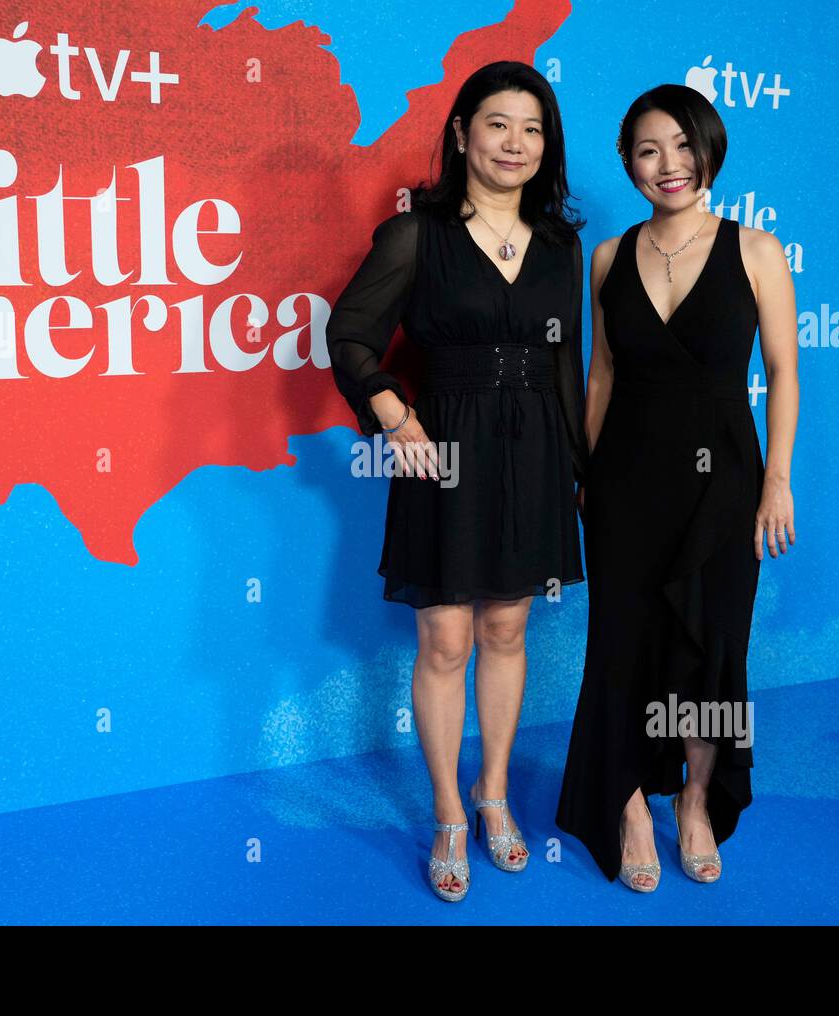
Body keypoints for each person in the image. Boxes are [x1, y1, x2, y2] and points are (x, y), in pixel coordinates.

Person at [326, 61, 589, 902]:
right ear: (462, 134)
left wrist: (580, 470)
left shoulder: (561, 244)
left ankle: (494, 794)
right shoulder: (417, 234)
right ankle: (447, 813)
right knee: (446, 638)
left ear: (546, 147)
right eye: (499, 124)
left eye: (532, 129)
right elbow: (350, 336)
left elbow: (568, 365)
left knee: (508, 629)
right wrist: (396, 418)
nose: (515, 143)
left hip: (538, 449)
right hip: (449, 447)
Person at [555, 84, 799, 891]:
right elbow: (602, 378)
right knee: (622, 646)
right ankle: (626, 803)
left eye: (684, 146)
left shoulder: (757, 250)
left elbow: (785, 374)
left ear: (709, 152)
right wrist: (584, 479)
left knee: (713, 647)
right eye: (649, 149)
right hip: (625, 483)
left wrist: (777, 482)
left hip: (725, 479)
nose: (669, 164)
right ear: (628, 161)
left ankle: (695, 801)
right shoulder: (607, 258)